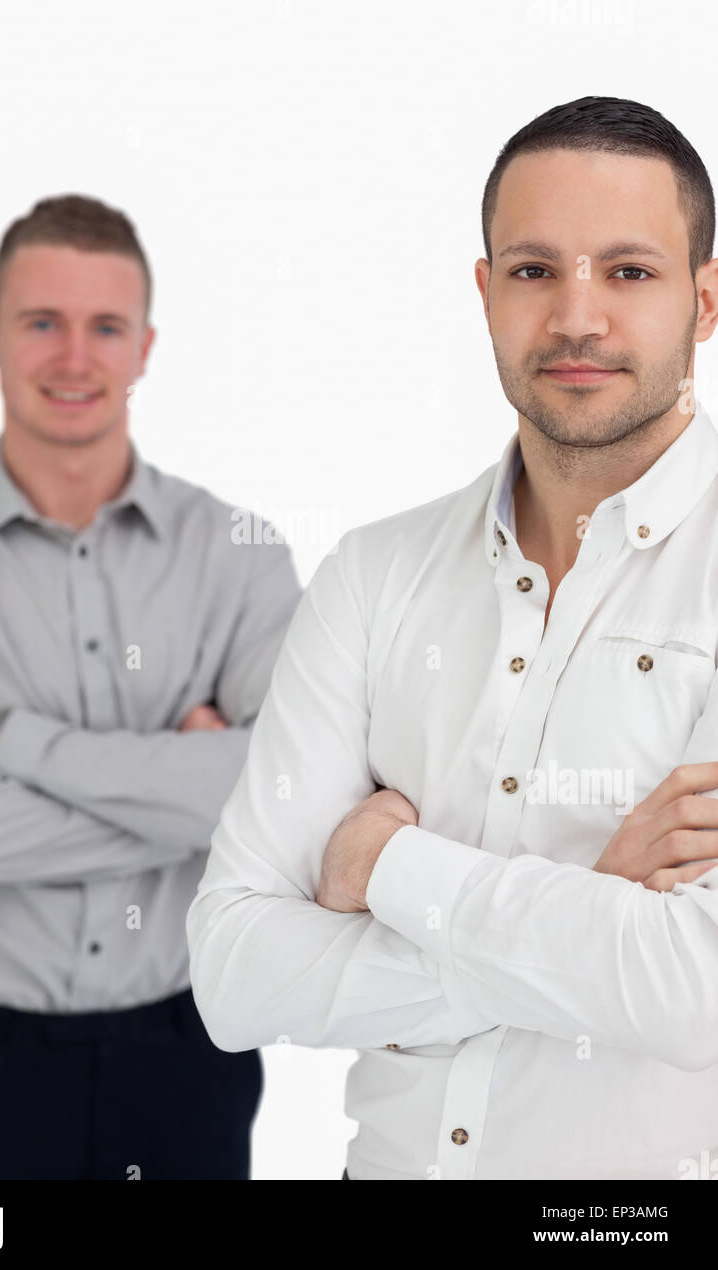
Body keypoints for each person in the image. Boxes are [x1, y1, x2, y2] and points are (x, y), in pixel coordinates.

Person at [187, 95, 718, 1180]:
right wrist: (584, 917)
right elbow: (234, 970)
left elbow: (693, 993)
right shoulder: (376, 576)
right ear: (483, 293)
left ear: (704, 301)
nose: (576, 318)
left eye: (626, 271)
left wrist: (385, 865)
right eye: (533, 271)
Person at [0, 193, 301, 1180]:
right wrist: (191, 792)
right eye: (41, 322)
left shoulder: (240, 555)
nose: (74, 358)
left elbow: (293, 797)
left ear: (145, 347)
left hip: (183, 1064)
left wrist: (17, 747)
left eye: (105, 327)